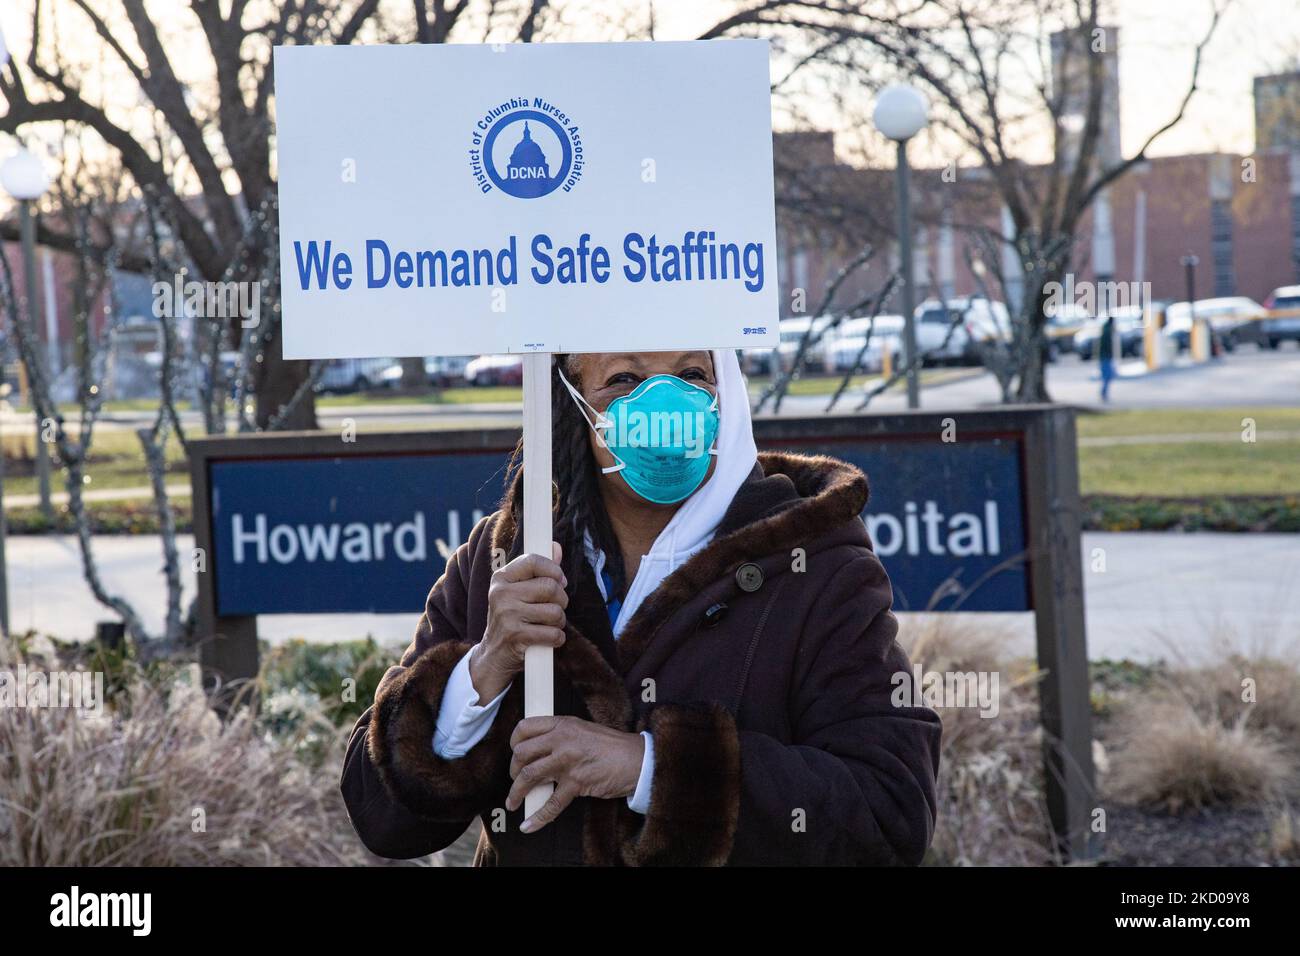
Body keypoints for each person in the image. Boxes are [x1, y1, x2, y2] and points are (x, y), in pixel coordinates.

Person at [340, 348, 941, 866]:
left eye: (692, 374)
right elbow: (384, 819)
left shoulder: (817, 566)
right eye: (624, 379)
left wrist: (649, 768)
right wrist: (485, 668)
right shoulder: (500, 561)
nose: (664, 403)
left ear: (726, 390)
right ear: (570, 403)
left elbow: (889, 813)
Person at [1098, 313, 1117, 402]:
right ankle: (1103, 394)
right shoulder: (1108, 331)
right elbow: (1107, 346)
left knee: (1108, 376)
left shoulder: (1105, 329)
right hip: (1105, 357)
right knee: (1107, 376)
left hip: (1104, 357)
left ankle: (1104, 393)